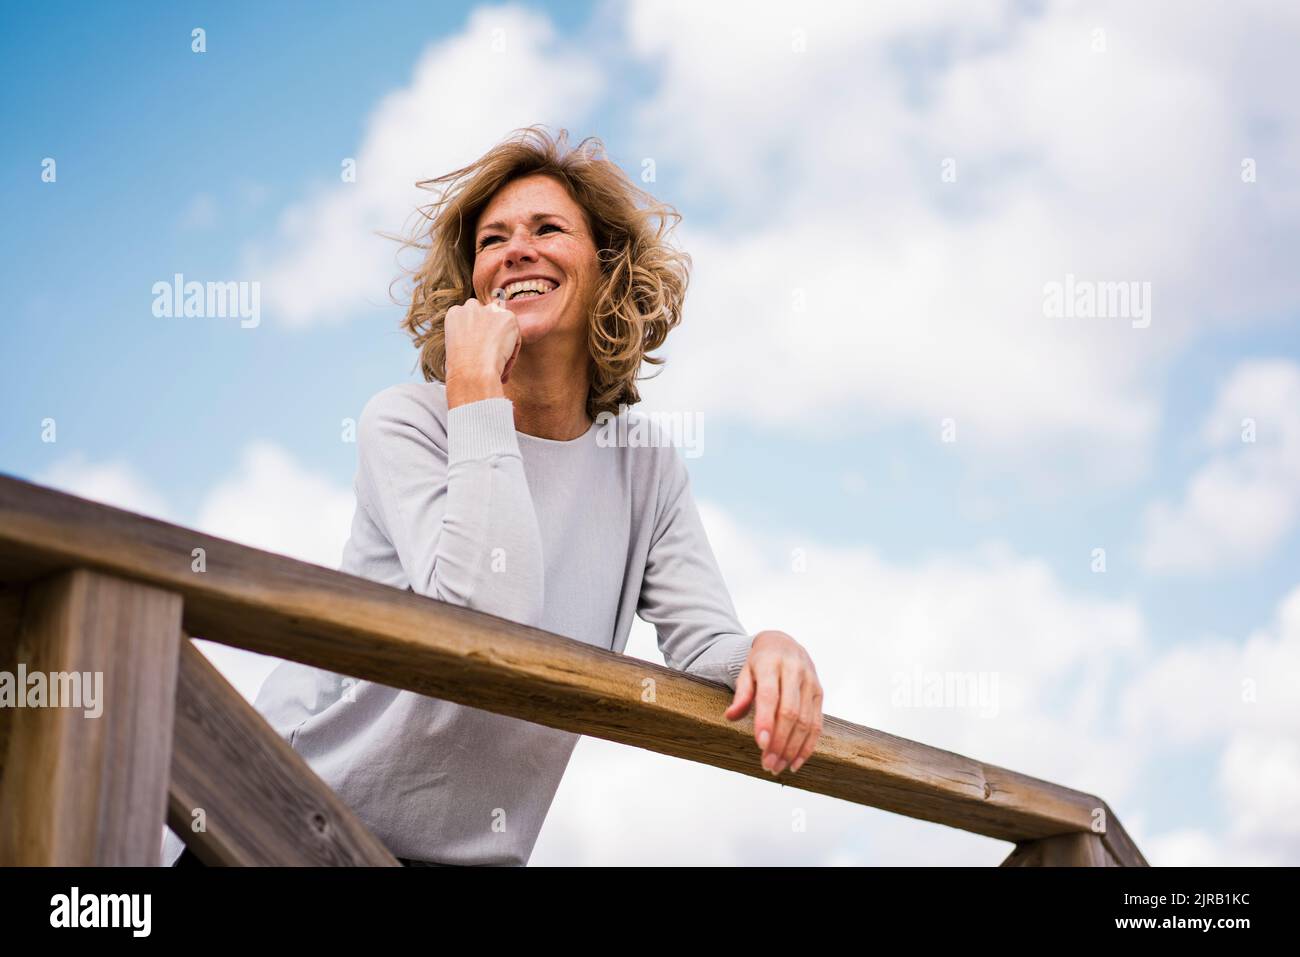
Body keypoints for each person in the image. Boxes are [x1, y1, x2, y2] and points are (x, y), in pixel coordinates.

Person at [166, 125, 822, 868]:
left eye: (548, 229)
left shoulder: (643, 465)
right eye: (492, 240)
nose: (517, 250)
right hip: (277, 822)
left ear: (607, 269)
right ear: (473, 282)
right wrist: (476, 395)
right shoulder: (406, 422)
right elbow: (488, 622)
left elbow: (706, 647)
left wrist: (768, 650)